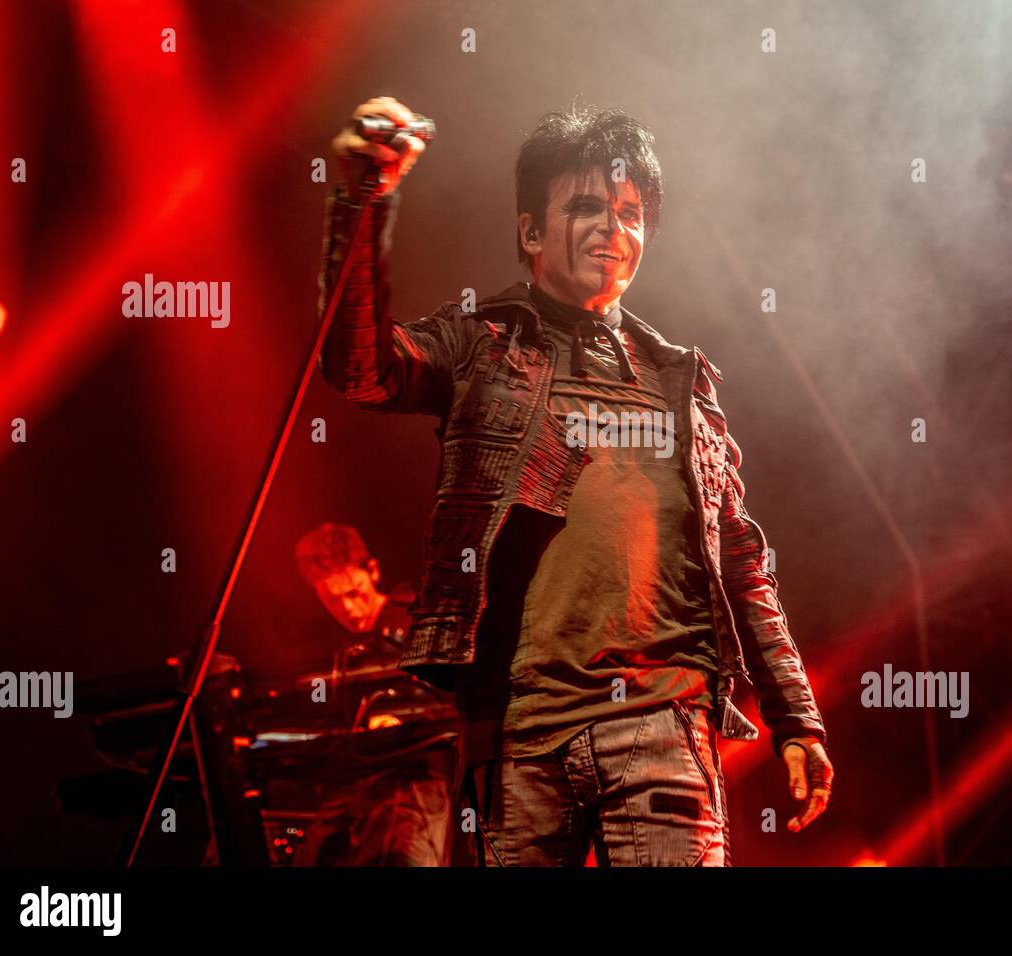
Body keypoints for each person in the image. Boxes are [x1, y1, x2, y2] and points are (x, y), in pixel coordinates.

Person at [316, 98, 833, 866]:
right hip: (517, 734)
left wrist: (796, 716)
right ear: (531, 231)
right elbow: (358, 369)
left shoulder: (680, 382)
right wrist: (364, 197)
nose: (611, 227)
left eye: (629, 213)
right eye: (586, 206)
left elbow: (742, 562)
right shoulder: (481, 345)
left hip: (663, 726)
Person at [291, 522, 460, 866]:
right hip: (349, 793)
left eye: (354, 592)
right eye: (332, 599)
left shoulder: (418, 620)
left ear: (373, 570)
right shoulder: (335, 651)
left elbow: (454, 700)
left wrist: (405, 717)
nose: (348, 610)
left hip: (411, 785)